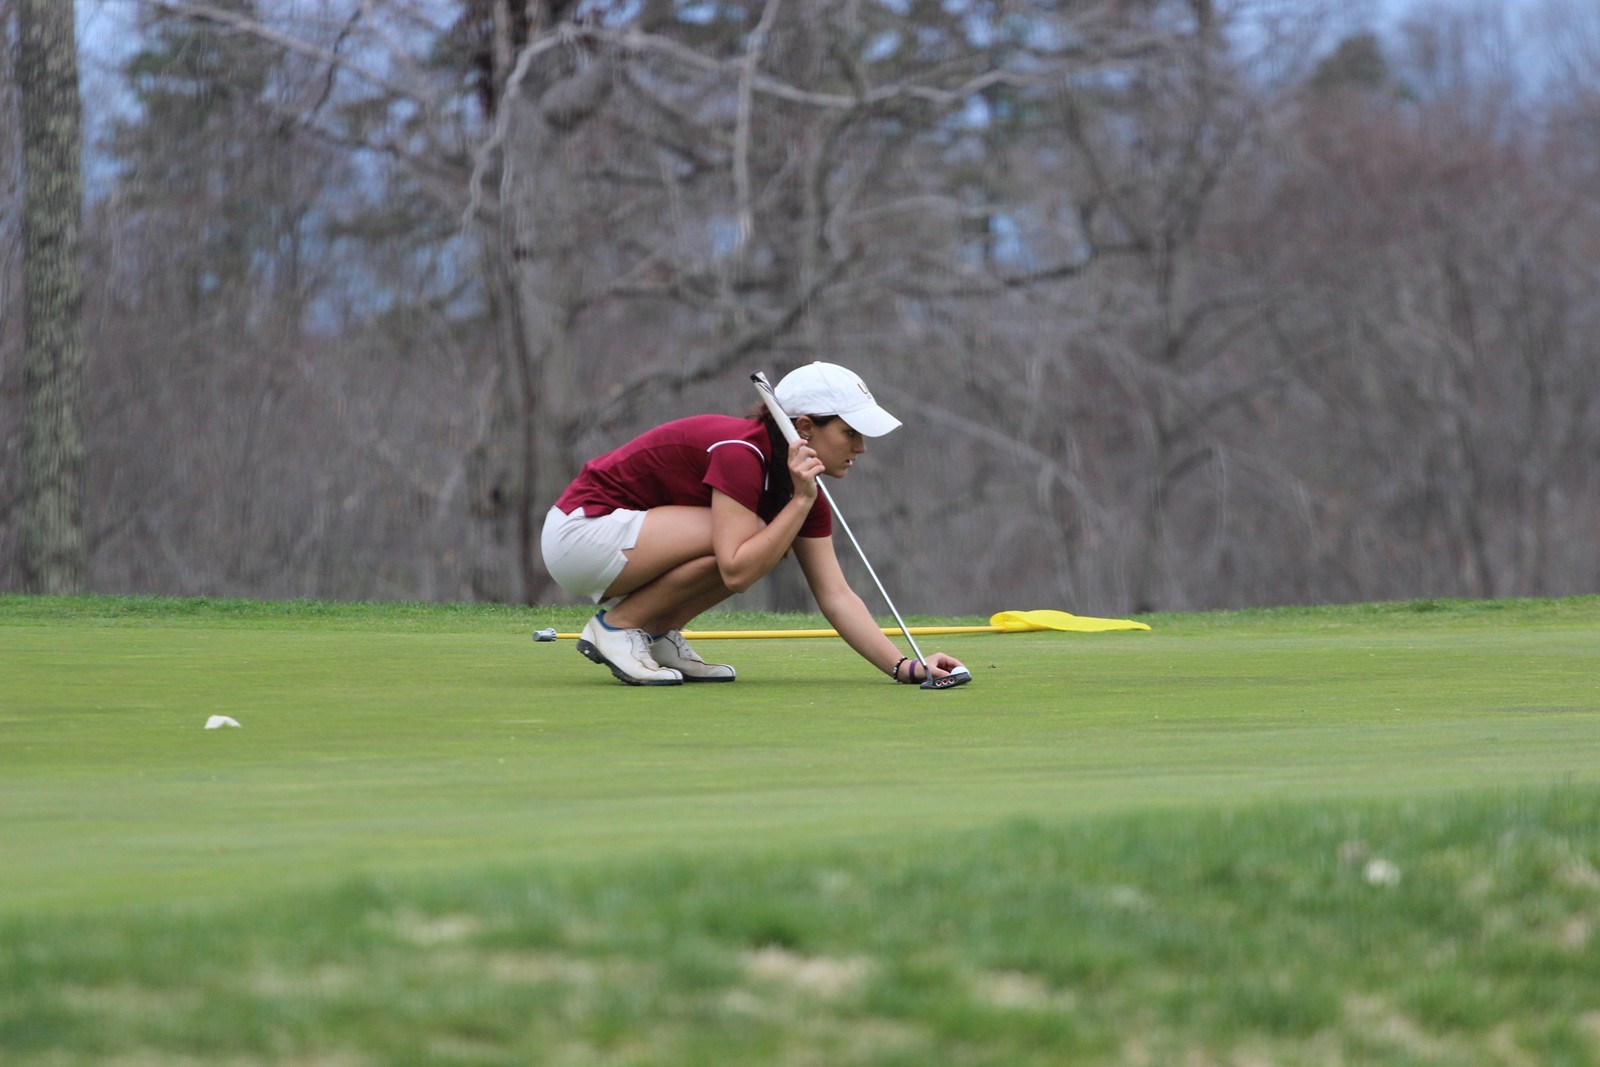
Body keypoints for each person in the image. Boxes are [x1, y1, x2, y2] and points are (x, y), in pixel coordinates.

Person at [539, 361, 969, 687]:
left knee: (766, 537)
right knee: (753, 541)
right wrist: (800, 502)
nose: (861, 447)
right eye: (850, 432)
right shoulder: (741, 453)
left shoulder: (803, 488)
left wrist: (904, 667)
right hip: (579, 534)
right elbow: (737, 570)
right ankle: (616, 628)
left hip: (624, 544)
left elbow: (836, 594)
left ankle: (655, 635)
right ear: (804, 427)